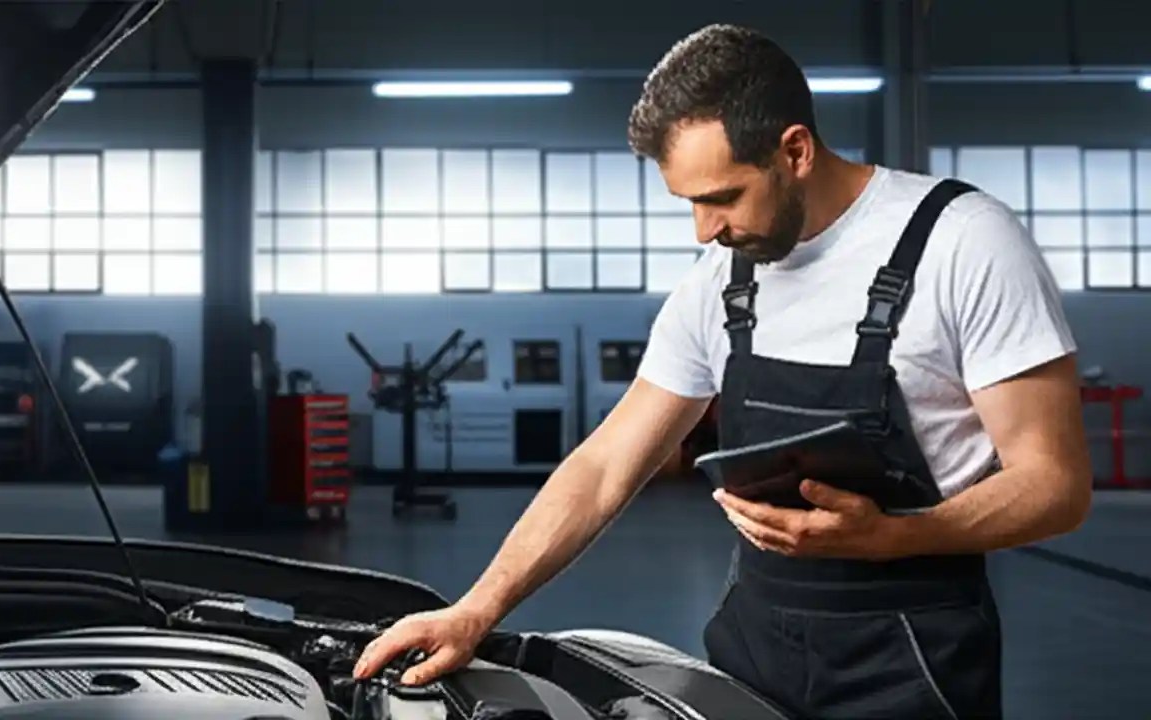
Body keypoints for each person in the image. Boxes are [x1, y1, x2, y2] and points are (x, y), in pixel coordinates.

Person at [353, 23, 1092, 719]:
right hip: (751, 653)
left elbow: (1054, 485)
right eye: (688, 204)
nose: (705, 231)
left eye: (722, 198)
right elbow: (607, 464)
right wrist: (477, 609)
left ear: (795, 150)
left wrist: (895, 535)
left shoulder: (964, 243)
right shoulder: (721, 280)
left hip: (913, 658)